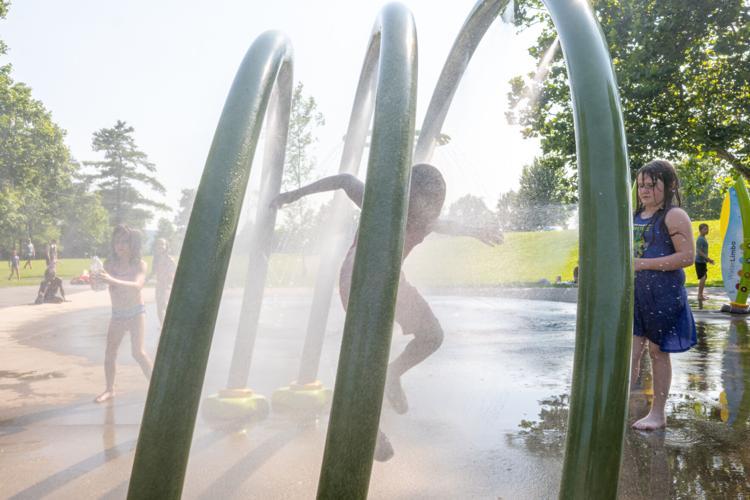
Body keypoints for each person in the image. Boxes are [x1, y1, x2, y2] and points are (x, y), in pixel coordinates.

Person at [273, 163, 502, 458]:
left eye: (437, 201)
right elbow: (344, 180)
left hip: (393, 282)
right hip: (359, 278)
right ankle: (366, 426)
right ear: (410, 193)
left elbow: (448, 225)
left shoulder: (427, 220)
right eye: (428, 199)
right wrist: (293, 194)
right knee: (368, 355)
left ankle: (392, 374)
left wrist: (475, 230)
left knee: (432, 335)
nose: (432, 208)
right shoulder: (383, 203)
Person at [630, 159, 697, 430]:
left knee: (657, 352)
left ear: (668, 186)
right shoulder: (633, 216)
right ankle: (617, 404)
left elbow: (687, 256)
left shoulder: (673, 216)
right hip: (637, 296)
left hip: (664, 296)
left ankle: (658, 413)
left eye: (652, 185)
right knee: (630, 353)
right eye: (641, 185)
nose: (645, 190)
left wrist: (642, 264)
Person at [93, 225, 153, 403]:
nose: (120, 245)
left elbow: (137, 286)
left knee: (138, 352)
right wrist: (94, 281)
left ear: (133, 244)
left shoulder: (139, 264)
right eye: (117, 241)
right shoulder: (109, 265)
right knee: (110, 352)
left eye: (125, 241)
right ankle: (109, 390)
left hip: (136, 312)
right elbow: (98, 287)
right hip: (118, 314)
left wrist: (111, 280)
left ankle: (156, 386)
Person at [150, 238, 177, 326]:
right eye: (158, 244)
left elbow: (174, 272)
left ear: (166, 246)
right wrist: (145, 280)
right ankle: (162, 325)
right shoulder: (156, 259)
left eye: (162, 244)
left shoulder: (170, 259)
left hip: (166, 286)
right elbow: (153, 272)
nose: (160, 246)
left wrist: (168, 281)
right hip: (159, 286)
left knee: (164, 305)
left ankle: (169, 324)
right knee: (159, 307)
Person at [694, 223, 714, 307]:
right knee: (703, 277)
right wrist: (708, 259)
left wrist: (707, 259)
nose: (707, 230)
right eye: (705, 229)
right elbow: (699, 251)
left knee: (704, 277)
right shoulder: (700, 239)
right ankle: (699, 295)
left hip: (702, 261)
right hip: (699, 261)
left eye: (707, 228)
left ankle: (701, 295)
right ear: (700, 230)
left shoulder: (703, 238)